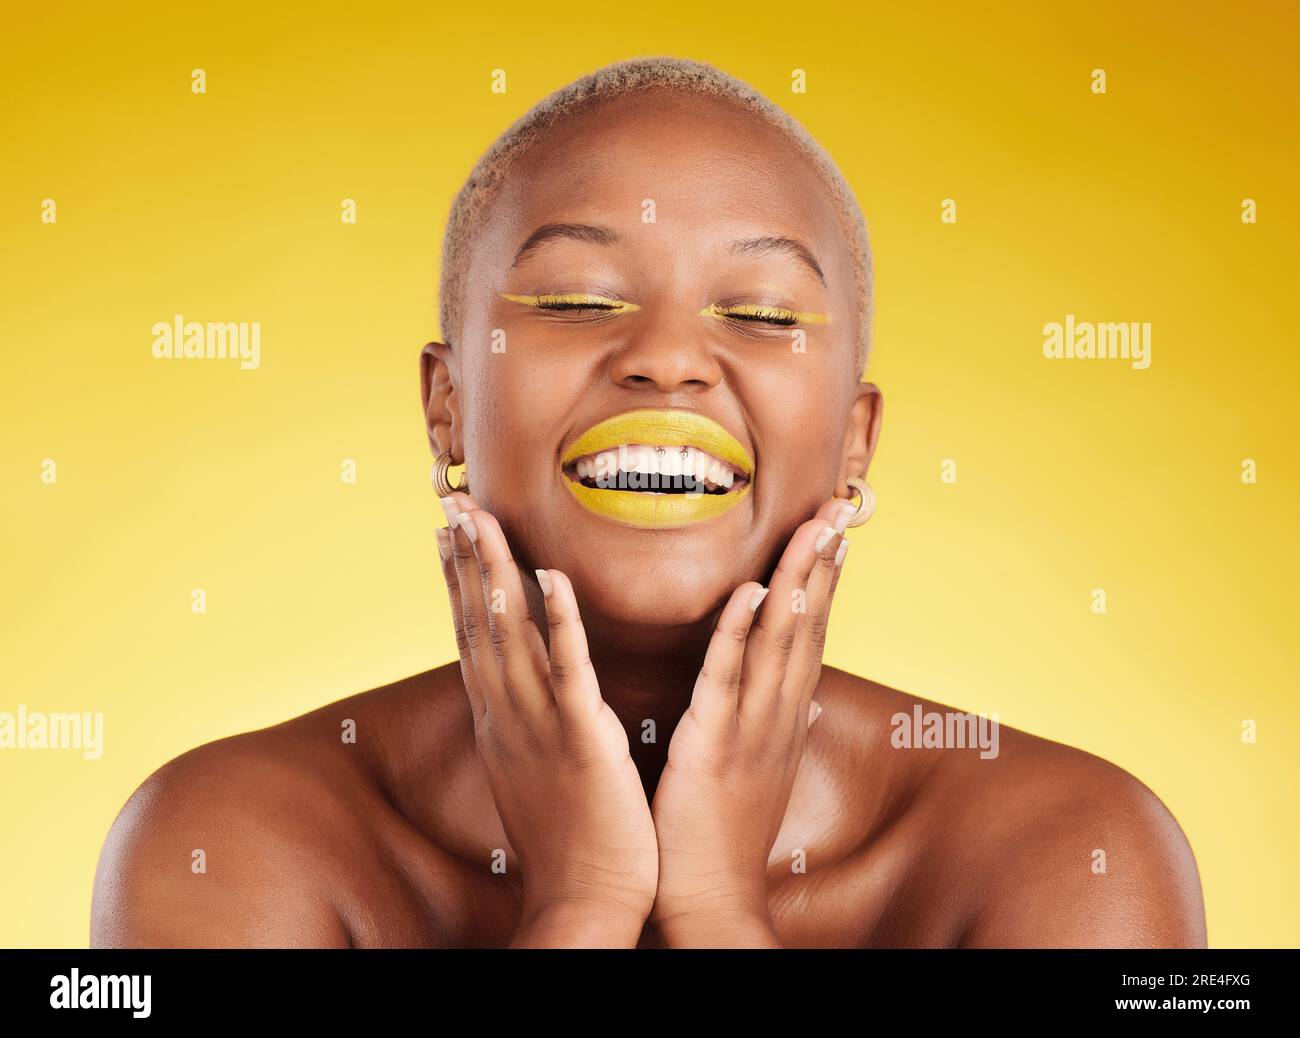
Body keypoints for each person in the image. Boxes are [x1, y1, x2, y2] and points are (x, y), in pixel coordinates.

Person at [91, 57, 1206, 948]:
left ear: (855, 439)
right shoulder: (223, 836)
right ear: (447, 407)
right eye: (577, 298)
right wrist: (578, 904)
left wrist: (718, 910)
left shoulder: (1076, 849)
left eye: (764, 315)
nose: (668, 360)